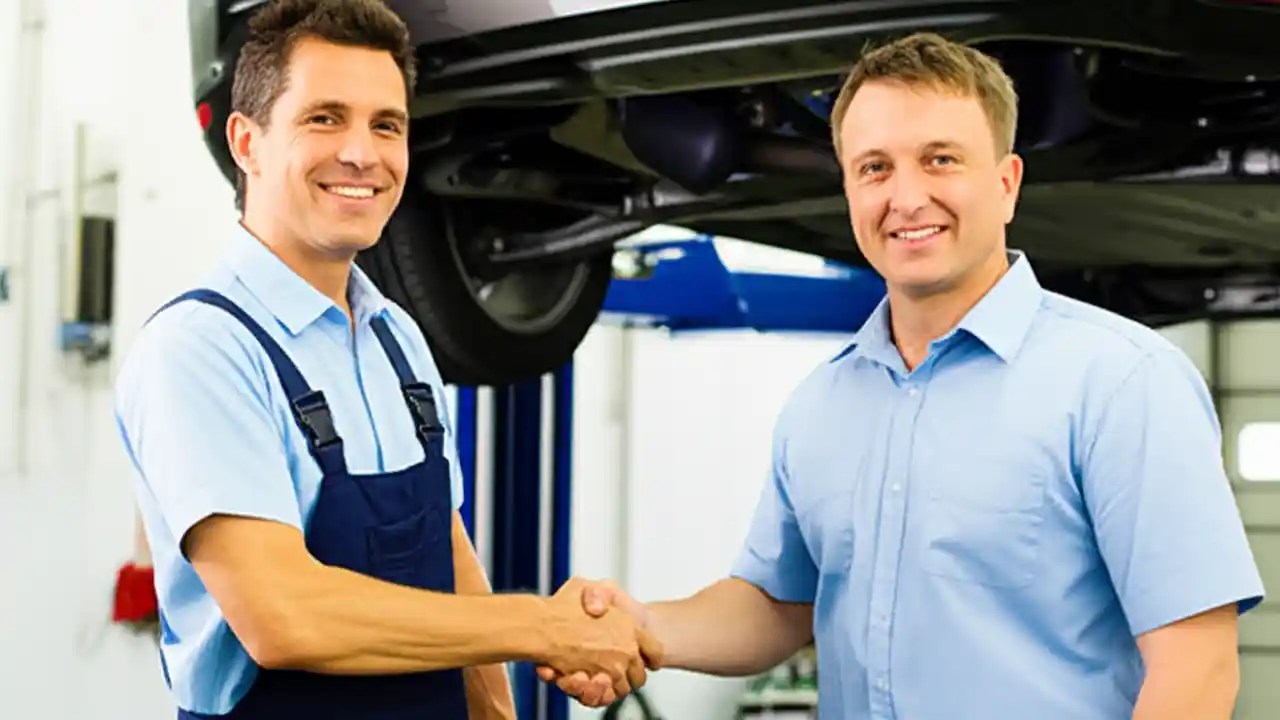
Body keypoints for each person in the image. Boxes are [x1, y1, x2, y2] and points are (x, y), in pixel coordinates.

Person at [540, 32, 1266, 719]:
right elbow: (776, 606)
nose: (907, 197)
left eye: (941, 159)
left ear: (1007, 183)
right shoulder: (823, 403)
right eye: (875, 167)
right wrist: (642, 626)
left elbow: (1196, 668)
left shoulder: (1123, 383)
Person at [114, 1, 656, 718]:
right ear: (246, 142)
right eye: (324, 118)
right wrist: (543, 628)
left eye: (387, 125)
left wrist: (496, 709)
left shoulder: (396, 338)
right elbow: (285, 617)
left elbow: (451, 556)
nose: (362, 153)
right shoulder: (201, 351)